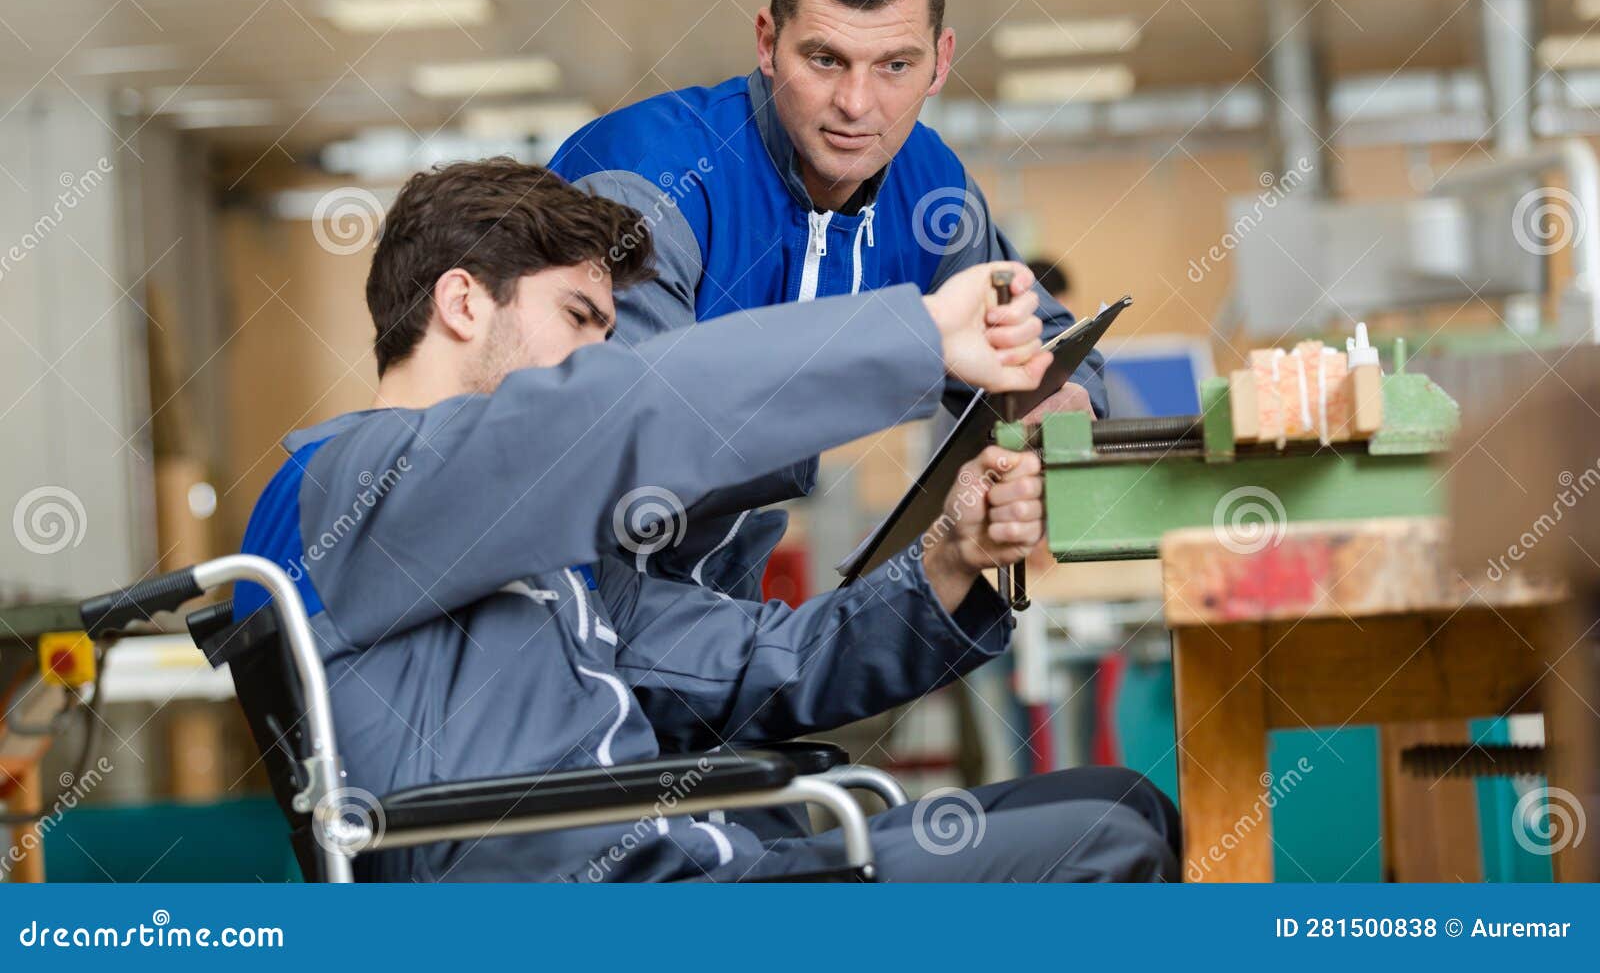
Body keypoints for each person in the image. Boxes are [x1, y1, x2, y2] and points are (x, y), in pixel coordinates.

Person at [237, 158, 1178, 882]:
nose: (592, 358)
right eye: (576, 319)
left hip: (695, 867)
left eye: (607, 337)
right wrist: (919, 335)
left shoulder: (552, 553)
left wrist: (950, 559)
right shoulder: (352, 484)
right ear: (460, 301)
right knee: (1103, 848)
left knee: (1127, 797)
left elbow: (758, 669)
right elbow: (617, 410)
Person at [549, 0, 1102, 596]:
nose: (857, 103)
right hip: (558, 599)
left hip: (712, 596)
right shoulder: (646, 179)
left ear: (941, 61)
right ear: (766, 41)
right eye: (824, 59)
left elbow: (1046, 341)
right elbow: (646, 420)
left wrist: (1064, 401)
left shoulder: (933, 190)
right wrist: (911, 340)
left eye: (896, 65)